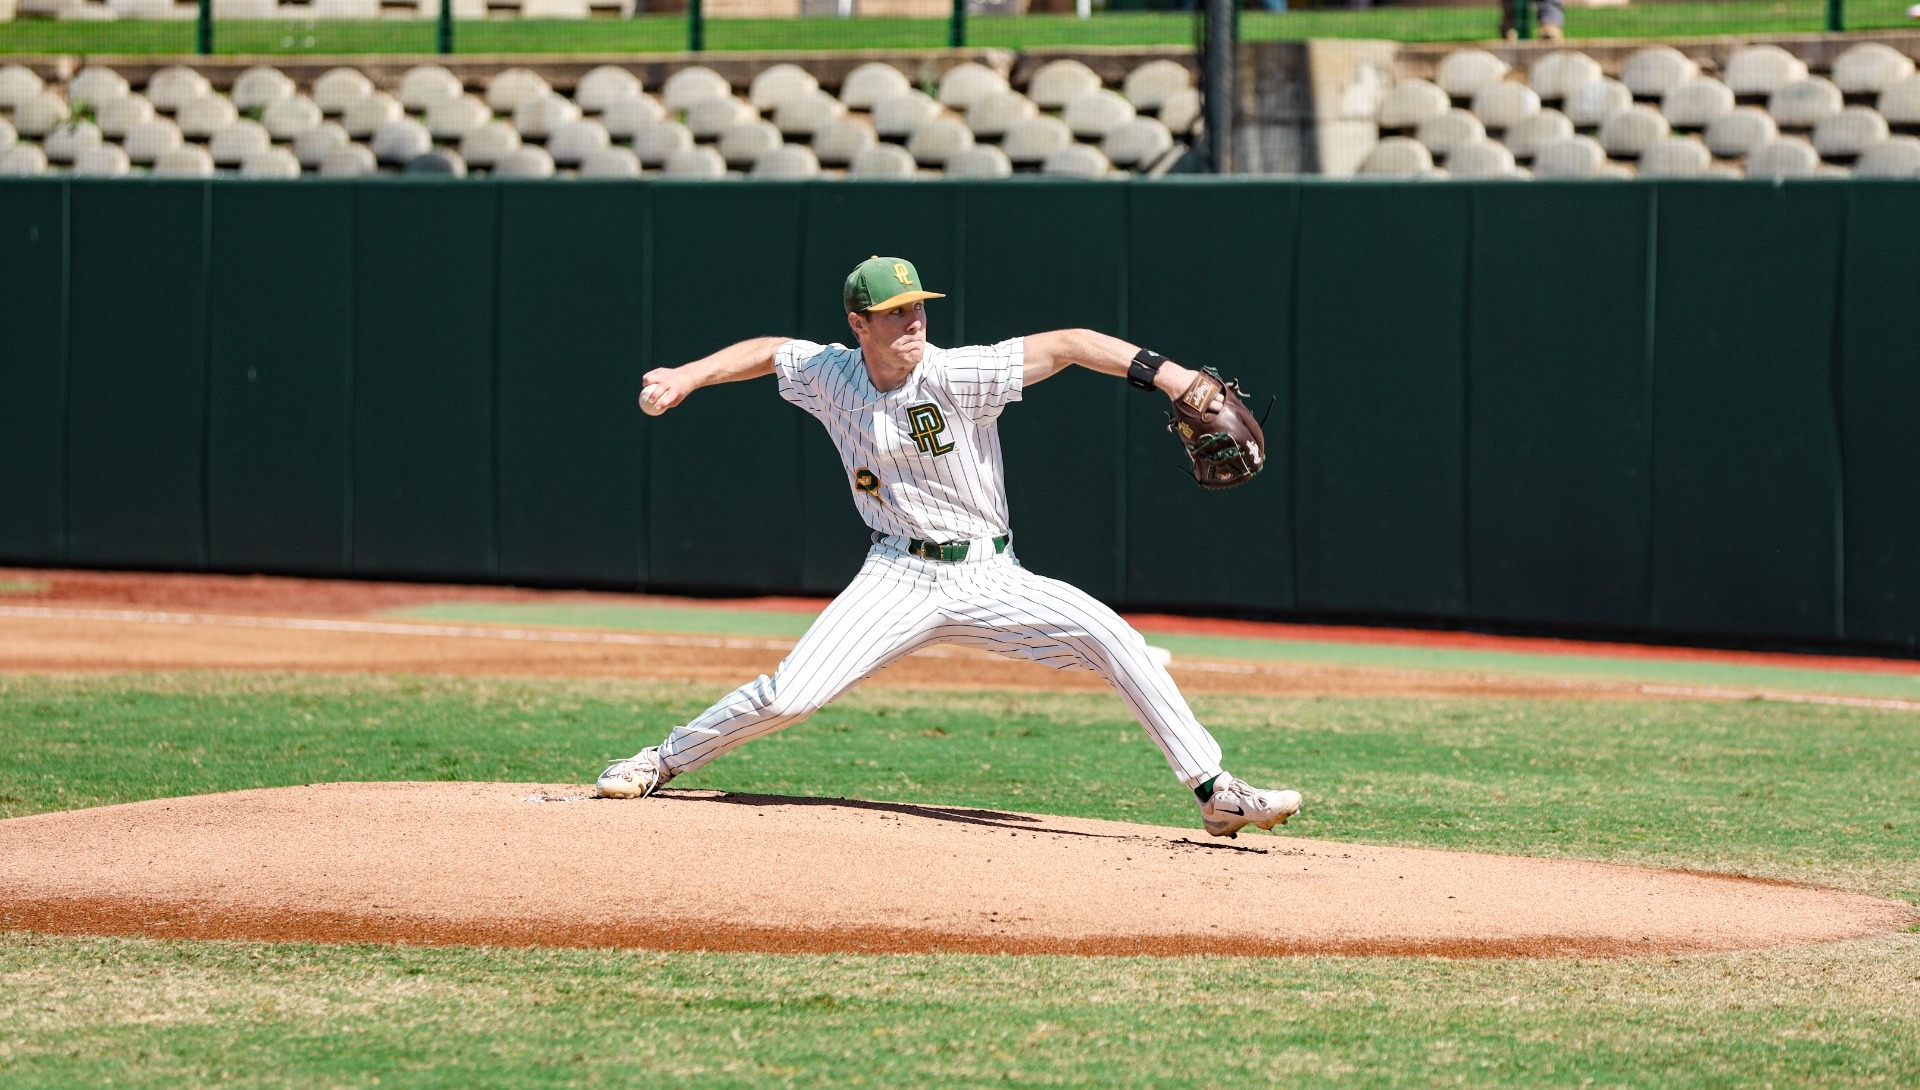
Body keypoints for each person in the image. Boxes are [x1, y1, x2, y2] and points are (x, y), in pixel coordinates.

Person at [596, 256, 1301, 839]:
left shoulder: (958, 372)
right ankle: (660, 760)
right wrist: (688, 375)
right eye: (896, 311)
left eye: (918, 307)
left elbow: (1072, 343)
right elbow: (767, 352)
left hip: (990, 575)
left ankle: (1217, 792)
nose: (913, 321)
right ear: (858, 324)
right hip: (895, 575)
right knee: (789, 698)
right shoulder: (831, 373)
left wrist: (1172, 377)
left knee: (1111, 635)